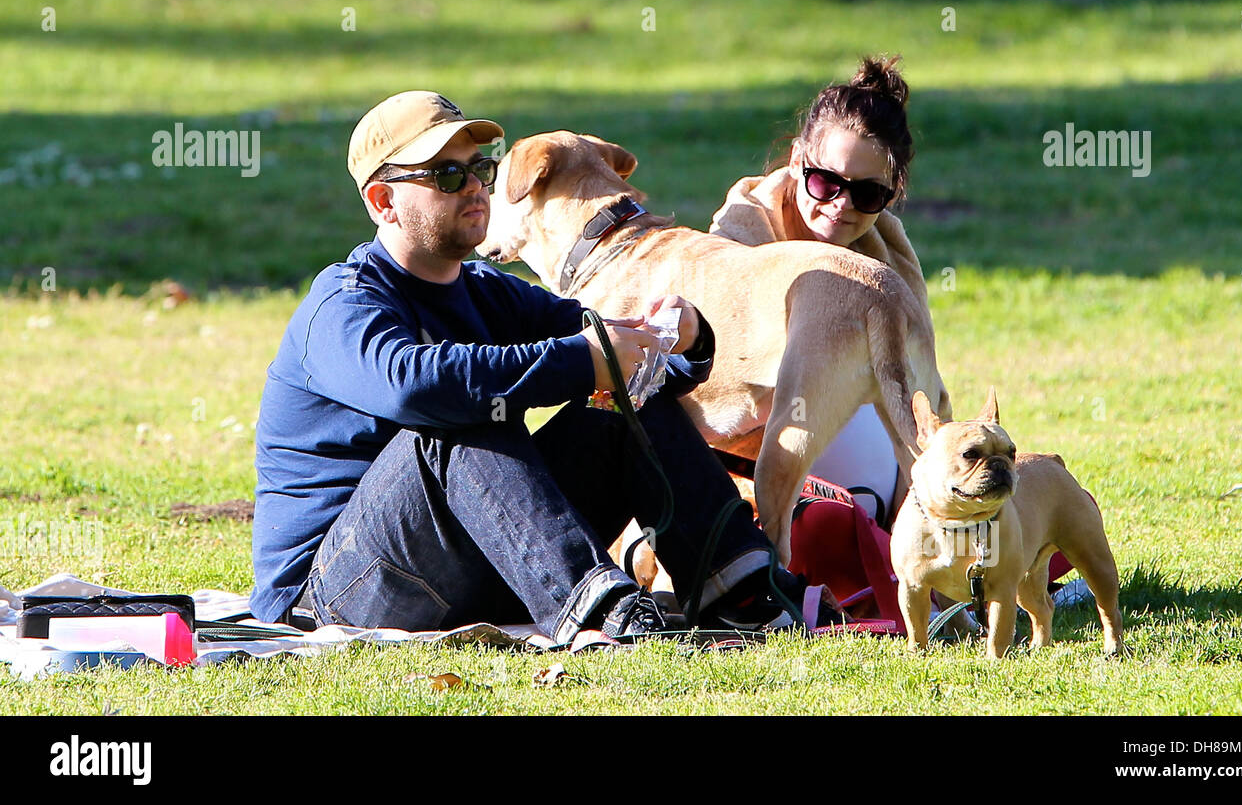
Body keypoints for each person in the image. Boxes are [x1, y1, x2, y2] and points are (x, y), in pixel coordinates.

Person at [250, 90, 821, 644]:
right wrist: (584, 361)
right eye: (448, 176)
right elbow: (414, 386)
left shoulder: (490, 292)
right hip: (331, 592)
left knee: (623, 402)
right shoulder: (344, 302)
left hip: (481, 563)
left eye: (481, 168)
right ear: (383, 202)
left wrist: (682, 341)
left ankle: (746, 591)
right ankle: (600, 611)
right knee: (454, 412)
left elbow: (608, 353)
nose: (476, 187)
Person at [710, 55, 934, 525]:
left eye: (868, 194)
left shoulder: (887, 257)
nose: (841, 205)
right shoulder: (740, 238)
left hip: (863, 472)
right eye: (824, 181)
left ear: (892, 192)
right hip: (741, 465)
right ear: (797, 160)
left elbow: (922, 396)